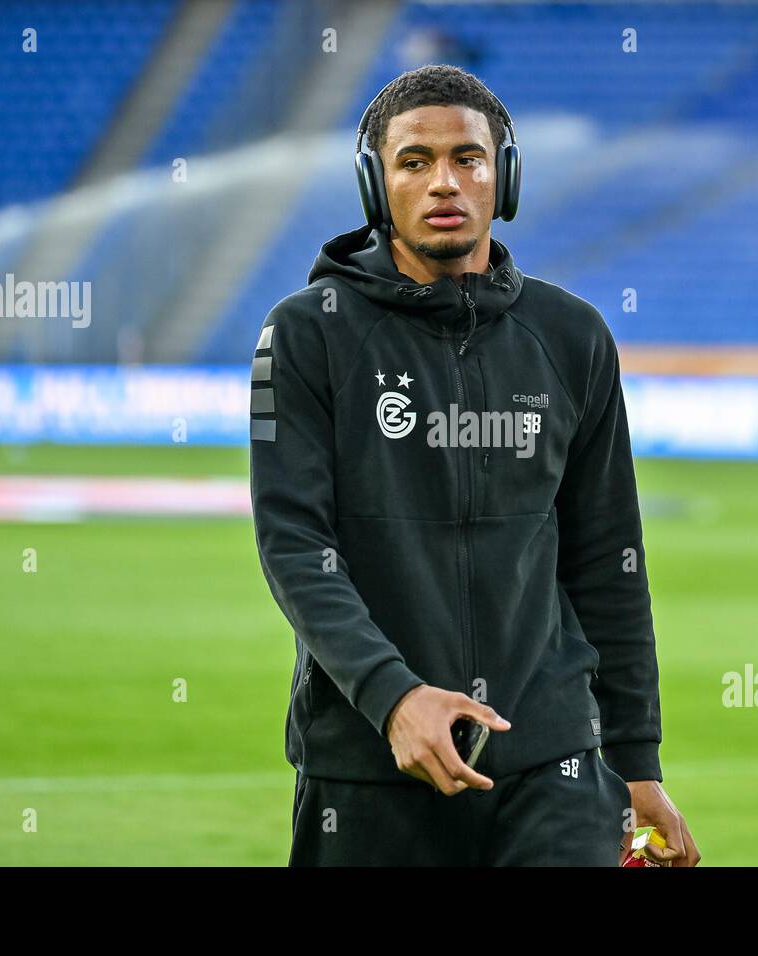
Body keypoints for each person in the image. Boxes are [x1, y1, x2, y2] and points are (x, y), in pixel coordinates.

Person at [249, 63, 698, 866]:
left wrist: (636, 761)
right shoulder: (306, 334)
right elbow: (295, 549)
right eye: (414, 162)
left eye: (469, 158)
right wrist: (394, 699)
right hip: (367, 767)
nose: (444, 182)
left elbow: (608, 564)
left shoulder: (573, 336)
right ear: (375, 186)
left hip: (553, 764)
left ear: (507, 176)